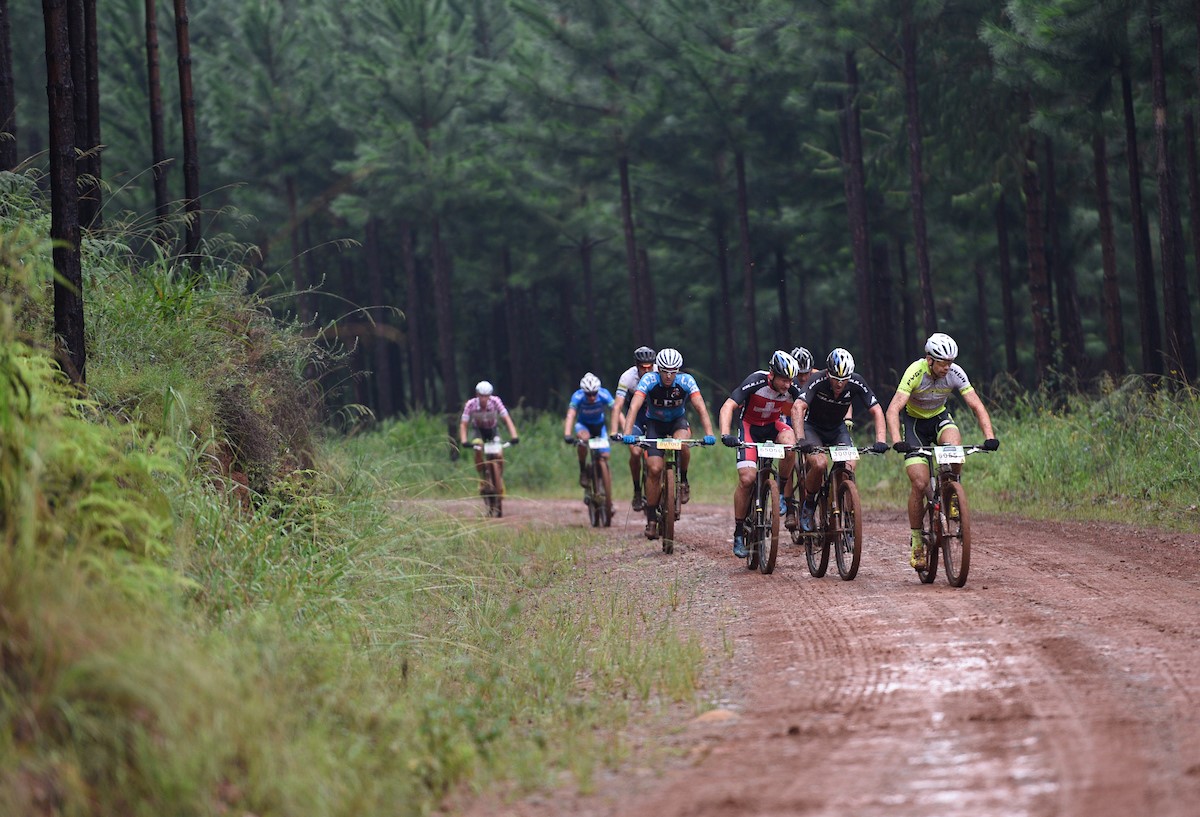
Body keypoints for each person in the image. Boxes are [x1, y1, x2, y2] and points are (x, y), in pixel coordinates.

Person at [886, 332, 999, 570]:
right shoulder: (914, 372)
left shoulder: (956, 373)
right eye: (942, 363)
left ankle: (951, 491)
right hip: (915, 424)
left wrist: (990, 437)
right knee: (919, 483)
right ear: (929, 360)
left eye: (950, 362)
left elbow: (977, 405)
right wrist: (897, 440)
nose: (947, 367)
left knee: (955, 450)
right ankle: (917, 541)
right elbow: (893, 409)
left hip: (939, 420)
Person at [620, 348, 716, 539]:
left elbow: (700, 407)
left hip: (676, 422)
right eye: (665, 371)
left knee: (683, 443)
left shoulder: (686, 380)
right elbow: (634, 406)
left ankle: (684, 481)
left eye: (673, 371)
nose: (669, 376)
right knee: (654, 469)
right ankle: (651, 520)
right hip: (654, 424)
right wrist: (627, 432)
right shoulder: (649, 380)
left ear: (678, 370)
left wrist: (709, 433)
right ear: (659, 369)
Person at [717, 350, 804, 558]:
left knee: (791, 444)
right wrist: (725, 434)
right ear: (772, 374)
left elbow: (802, 408)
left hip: (772, 426)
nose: (787, 385)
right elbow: (727, 406)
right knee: (747, 479)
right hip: (750, 428)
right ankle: (738, 532)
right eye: (783, 379)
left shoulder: (791, 388)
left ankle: (782, 493)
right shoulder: (755, 381)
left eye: (790, 380)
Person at [793, 348, 890, 533]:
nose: (839, 383)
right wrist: (800, 439)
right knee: (820, 464)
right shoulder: (817, 380)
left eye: (844, 378)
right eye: (836, 378)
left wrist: (880, 440)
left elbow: (876, 410)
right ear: (828, 372)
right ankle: (809, 504)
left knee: (848, 467)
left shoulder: (856, 381)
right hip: (813, 428)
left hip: (837, 429)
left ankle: (844, 512)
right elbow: (798, 407)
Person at [609, 346, 656, 510]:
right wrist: (614, 432)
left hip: (655, 417)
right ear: (637, 365)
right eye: (643, 367)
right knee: (635, 453)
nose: (647, 369)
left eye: (650, 366)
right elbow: (617, 406)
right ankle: (637, 490)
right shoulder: (627, 377)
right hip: (635, 416)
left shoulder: (660, 372)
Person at [564, 372, 615, 515]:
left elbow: (616, 411)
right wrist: (567, 434)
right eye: (589, 394)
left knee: (604, 455)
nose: (592, 397)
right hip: (584, 426)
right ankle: (583, 471)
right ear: (583, 392)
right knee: (582, 440)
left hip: (599, 427)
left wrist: (623, 431)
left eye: (594, 394)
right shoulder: (577, 396)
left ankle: (606, 490)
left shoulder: (604, 394)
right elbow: (571, 415)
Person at [459, 380, 520, 497]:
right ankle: (482, 478)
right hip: (478, 431)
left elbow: (507, 419)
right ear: (477, 395)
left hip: (492, 430)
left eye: (486, 396)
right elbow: (464, 424)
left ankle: (499, 480)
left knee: (499, 454)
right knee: (478, 449)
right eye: (481, 396)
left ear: (490, 395)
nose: (483, 399)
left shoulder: (496, 401)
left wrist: (514, 436)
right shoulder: (470, 404)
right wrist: (464, 440)